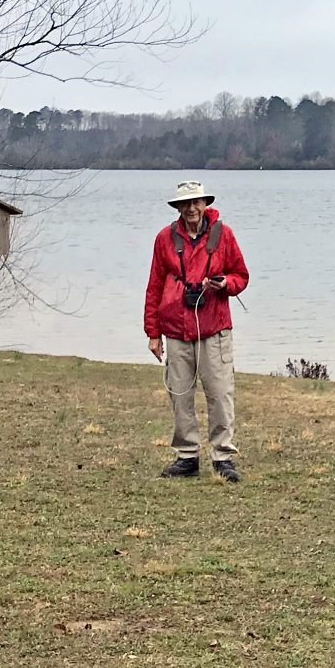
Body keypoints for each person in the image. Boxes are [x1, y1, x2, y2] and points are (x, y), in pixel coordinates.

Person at [145, 180, 251, 482]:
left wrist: (225, 284)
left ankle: (222, 457)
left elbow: (241, 276)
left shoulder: (224, 235)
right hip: (176, 329)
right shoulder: (164, 239)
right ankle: (187, 456)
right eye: (185, 203)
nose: (191, 208)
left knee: (220, 394)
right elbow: (154, 286)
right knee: (179, 394)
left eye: (197, 202)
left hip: (214, 328)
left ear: (205, 204)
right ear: (178, 207)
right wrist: (153, 332)